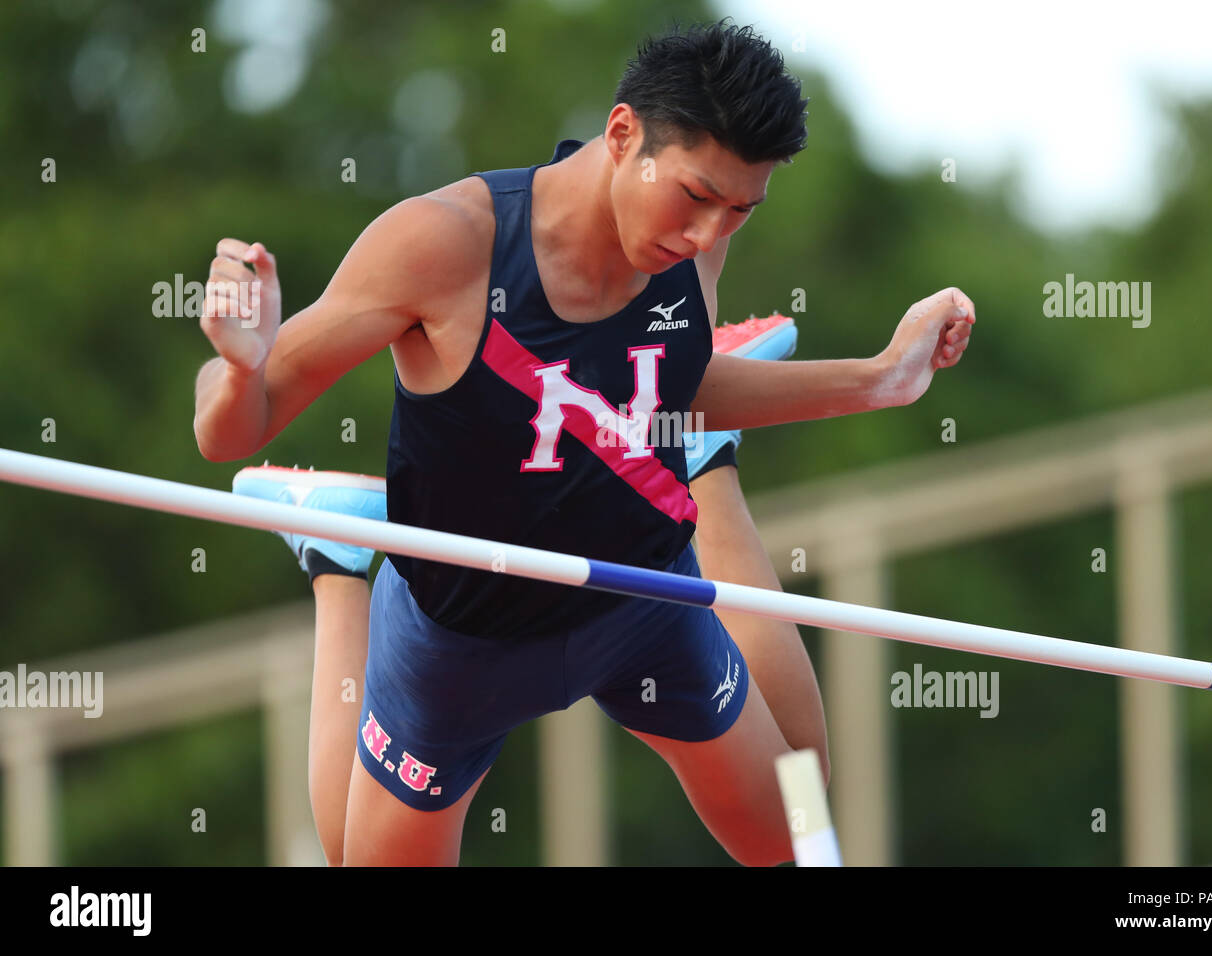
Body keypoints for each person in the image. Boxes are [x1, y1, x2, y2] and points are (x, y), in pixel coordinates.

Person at [193, 19, 974, 866]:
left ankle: (697, 467)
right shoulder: (441, 245)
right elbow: (231, 430)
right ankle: (341, 563)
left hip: (638, 598)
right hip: (463, 639)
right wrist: (238, 369)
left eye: (740, 212)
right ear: (622, 133)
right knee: (357, 859)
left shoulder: (689, 251)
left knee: (798, 824)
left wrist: (882, 379)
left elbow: (682, 379)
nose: (708, 236)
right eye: (696, 196)